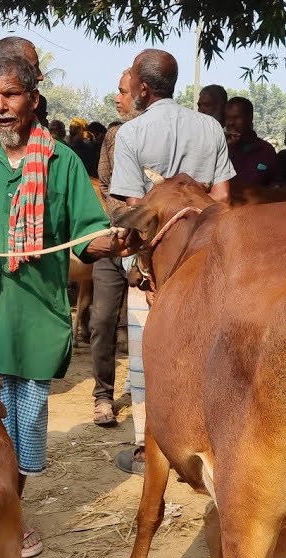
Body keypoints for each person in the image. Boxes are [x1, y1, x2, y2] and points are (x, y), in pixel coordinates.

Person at [0, 54, 121, 558]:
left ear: (33, 99)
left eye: (10, 95)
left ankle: (7, 517)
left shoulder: (61, 162)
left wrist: (111, 242)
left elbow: (85, 235)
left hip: (35, 319)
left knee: (17, 434)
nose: (0, 107)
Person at [109, 48, 235, 474]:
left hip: (156, 268)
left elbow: (135, 208)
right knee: (209, 352)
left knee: (151, 358)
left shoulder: (131, 134)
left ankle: (150, 451)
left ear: (142, 89)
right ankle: (212, 440)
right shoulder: (211, 127)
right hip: (210, 262)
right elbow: (222, 199)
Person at [89, 67, 135, 429]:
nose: (117, 98)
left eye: (122, 92)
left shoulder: (159, 135)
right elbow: (105, 185)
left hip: (148, 246)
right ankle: (103, 394)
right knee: (102, 320)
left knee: (145, 324)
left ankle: (142, 389)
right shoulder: (114, 136)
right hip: (114, 241)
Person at [225, 96, 278, 189]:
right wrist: (225, 147)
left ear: (250, 118)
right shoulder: (221, 149)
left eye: (236, 117)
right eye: (227, 118)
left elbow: (275, 186)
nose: (230, 123)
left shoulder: (266, 151)